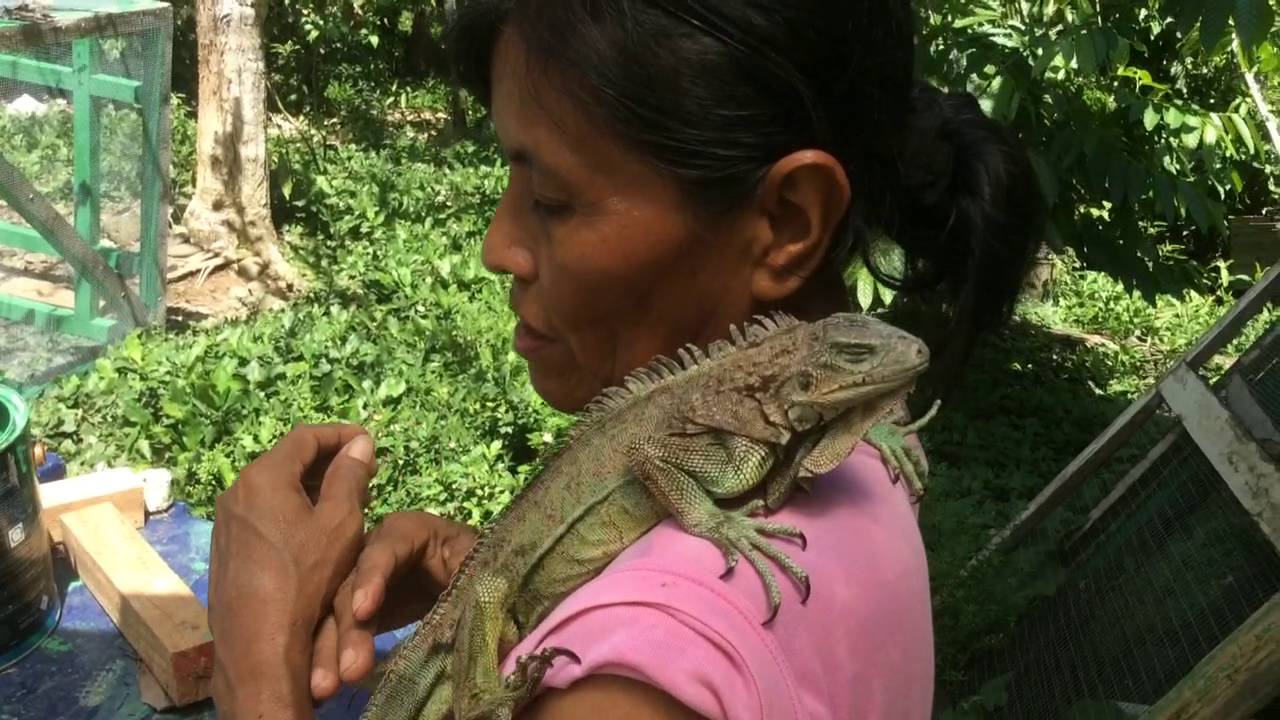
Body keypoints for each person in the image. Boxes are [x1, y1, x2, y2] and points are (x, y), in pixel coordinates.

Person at [207, 1, 1045, 718]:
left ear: (789, 221)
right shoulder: (867, 443)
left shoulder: (623, 690)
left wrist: (252, 673)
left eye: (550, 199)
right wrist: (550, 598)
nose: (499, 246)